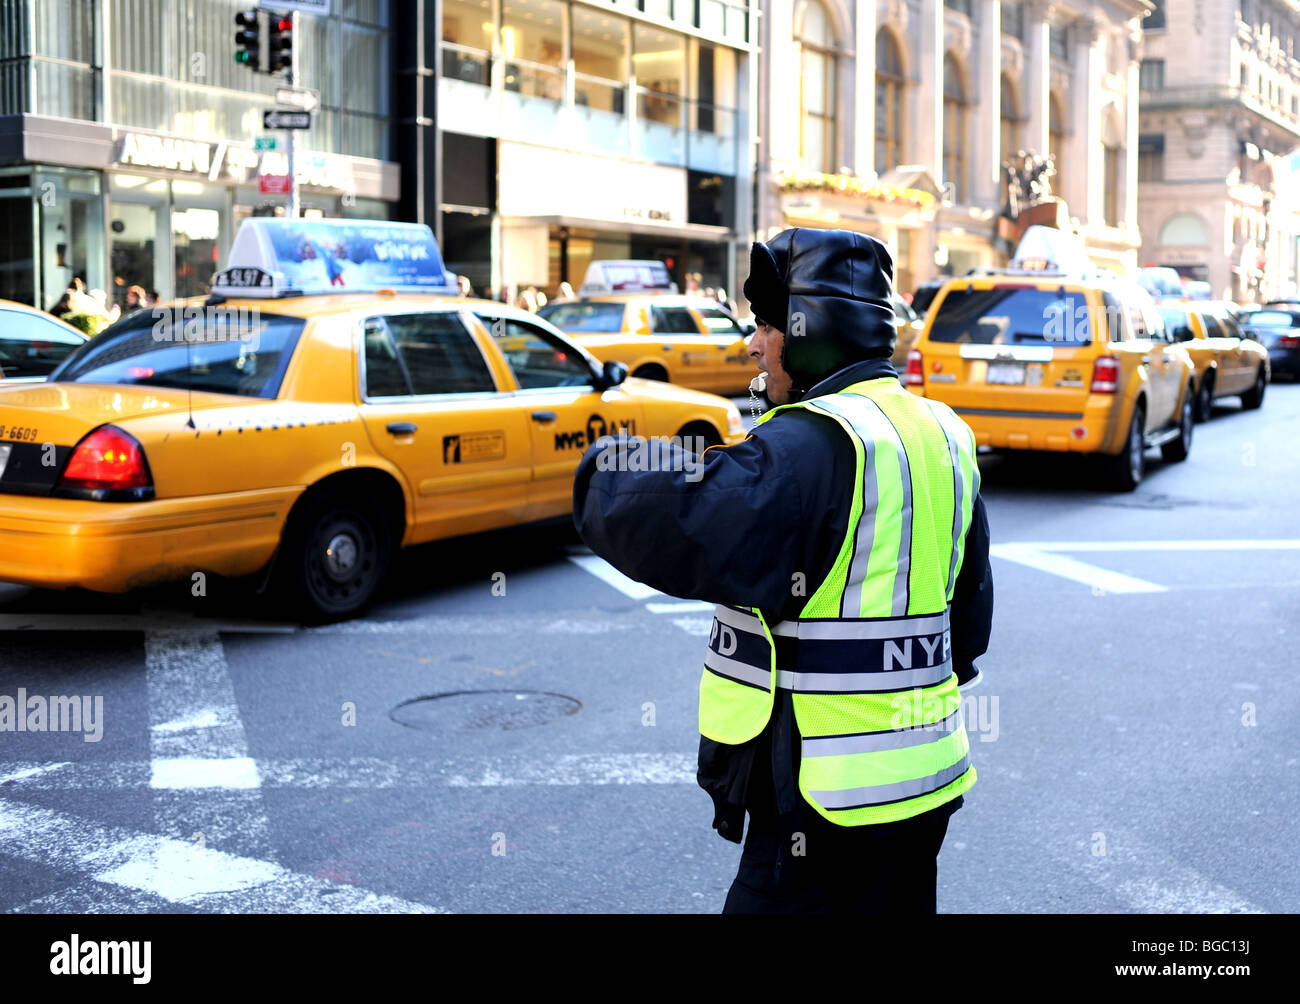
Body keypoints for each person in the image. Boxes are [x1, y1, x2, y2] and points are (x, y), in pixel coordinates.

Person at [573, 228, 993, 914]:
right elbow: (969, 624)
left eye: (767, 324)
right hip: (926, 787)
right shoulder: (941, 431)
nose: (753, 342)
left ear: (810, 331)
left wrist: (595, 469)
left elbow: (674, 517)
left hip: (826, 806)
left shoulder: (810, 444)